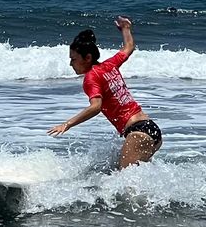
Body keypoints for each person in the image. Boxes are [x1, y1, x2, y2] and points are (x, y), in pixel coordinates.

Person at [48, 17, 162, 169]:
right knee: (125, 176)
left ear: (87, 58)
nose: (70, 64)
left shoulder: (91, 78)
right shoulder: (110, 64)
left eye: (73, 59)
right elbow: (129, 47)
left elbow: (96, 107)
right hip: (151, 129)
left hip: (138, 133)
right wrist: (126, 29)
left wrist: (67, 124)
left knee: (127, 184)